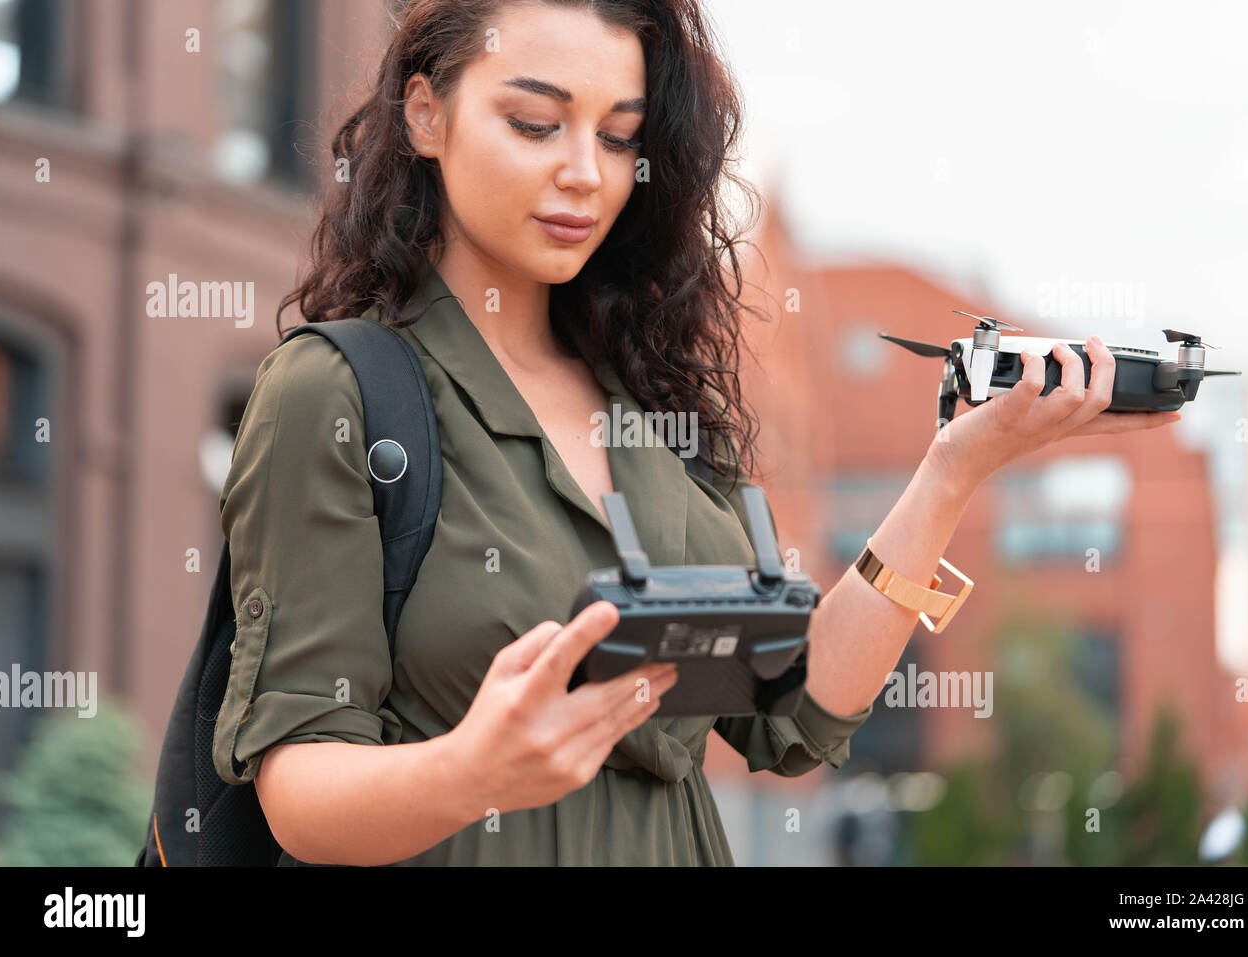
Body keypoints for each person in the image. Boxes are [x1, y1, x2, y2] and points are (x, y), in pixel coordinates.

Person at [212, 0, 1181, 867]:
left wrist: (953, 471)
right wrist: (473, 770)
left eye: (619, 136)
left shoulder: (647, 404)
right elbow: (298, 792)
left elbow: (795, 714)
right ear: (426, 114)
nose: (583, 174)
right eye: (534, 123)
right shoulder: (334, 395)